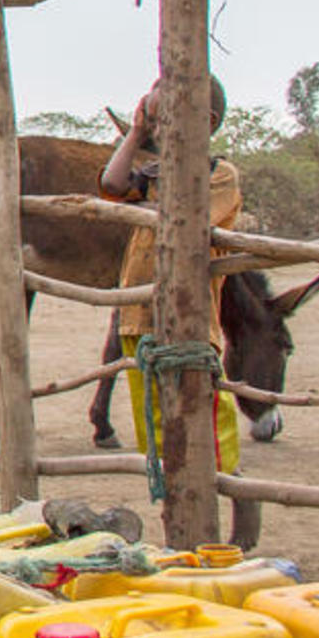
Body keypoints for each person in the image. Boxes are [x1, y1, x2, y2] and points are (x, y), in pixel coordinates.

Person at [101, 74, 244, 476]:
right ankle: (176, 515)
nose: (160, 131)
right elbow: (111, 185)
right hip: (139, 318)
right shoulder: (153, 174)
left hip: (190, 320)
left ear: (208, 120)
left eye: (168, 120)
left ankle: (234, 501)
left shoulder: (219, 174)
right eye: (155, 121)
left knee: (208, 427)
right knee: (158, 434)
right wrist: (137, 130)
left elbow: (184, 223)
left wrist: (145, 210)